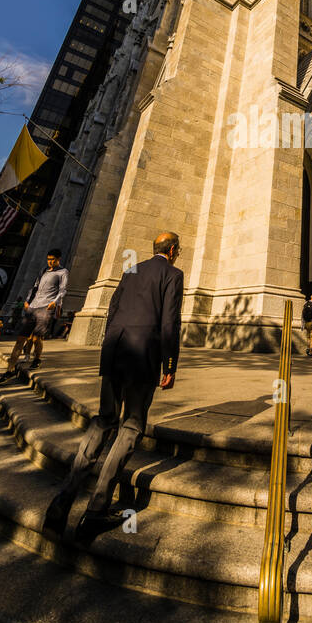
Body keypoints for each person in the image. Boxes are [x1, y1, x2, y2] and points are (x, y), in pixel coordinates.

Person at [43, 231, 183, 541]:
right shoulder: (173, 274)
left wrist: (110, 345)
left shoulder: (131, 270)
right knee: (130, 427)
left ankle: (61, 503)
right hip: (143, 356)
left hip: (115, 350)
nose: (177, 254)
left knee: (103, 421)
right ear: (172, 250)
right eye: (178, 250)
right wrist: (169, 365)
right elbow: (170, 321)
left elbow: (113, 309)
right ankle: (95, 510)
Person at [5, 249, 68, 372]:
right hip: (33, 307)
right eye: (48, 259)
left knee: (36, 338)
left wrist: (55, 303)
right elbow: (35, 287)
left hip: (46, 307)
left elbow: (63, 290)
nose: (50, 262)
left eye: (52, 260)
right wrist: (28, 300)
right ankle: (9, 369)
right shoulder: (43, 271)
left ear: (58, 259)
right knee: (20, 338)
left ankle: (37, 358)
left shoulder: (63, 272)